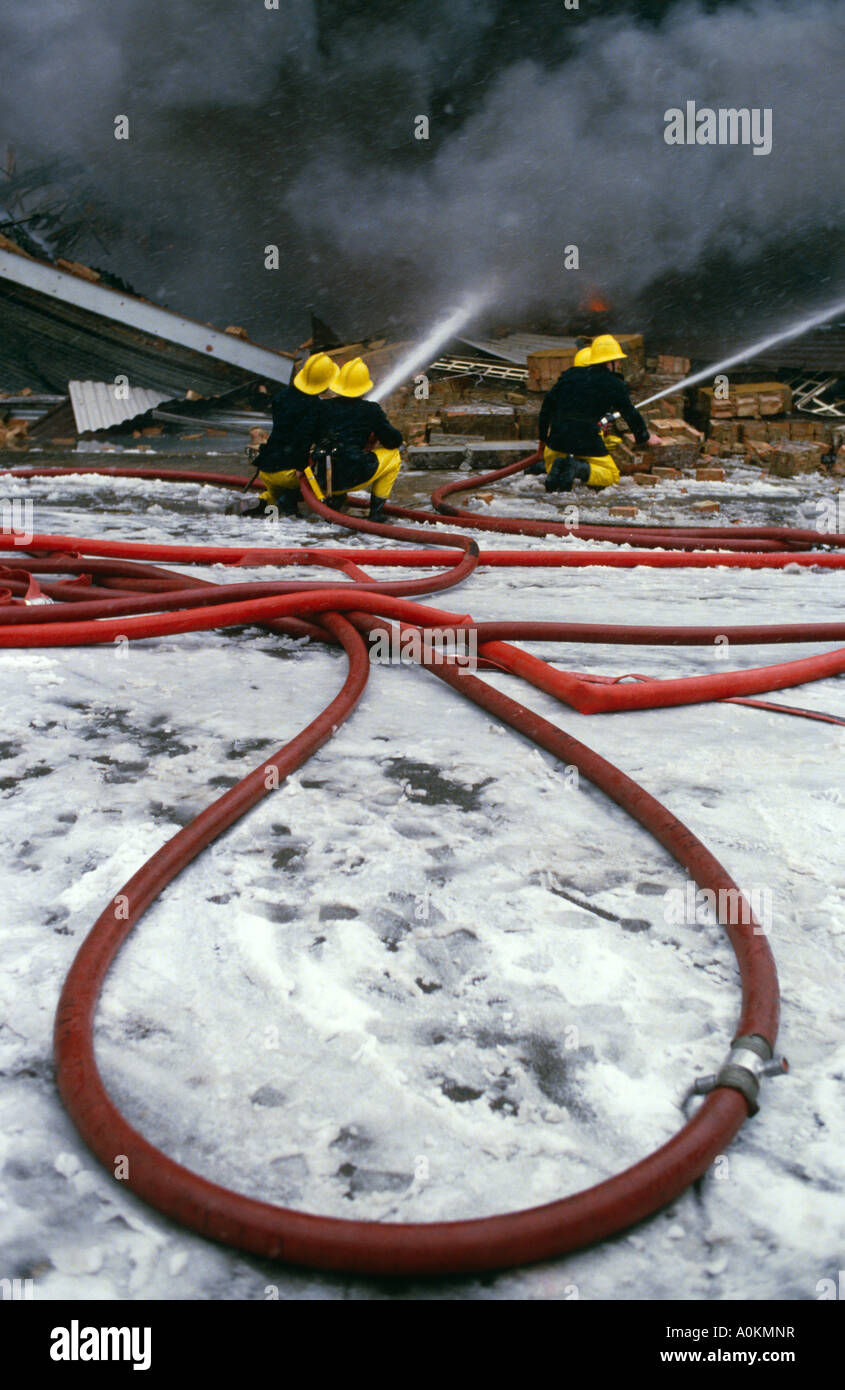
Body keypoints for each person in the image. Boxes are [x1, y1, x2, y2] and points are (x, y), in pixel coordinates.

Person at [538, 335, 660, 492]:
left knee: (555, 464)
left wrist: (542, 439)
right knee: (611, 475)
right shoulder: (613, 383)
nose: (619, 364)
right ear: (611, 362)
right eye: (617, 361)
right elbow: (629, 412)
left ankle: (563, 468)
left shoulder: (569, 376)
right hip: (585, 440)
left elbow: (546, 409)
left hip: (557, 440)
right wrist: (645, 437)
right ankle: (578, 468)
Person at [241, 352, 338, 518]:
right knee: (307, 491)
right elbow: (315, 439)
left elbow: (289, 430)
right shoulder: (318, 408)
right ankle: (286, 504)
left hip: (266, 467)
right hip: (290, 473)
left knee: (275, 491)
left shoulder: (282, 397)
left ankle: (263, 502)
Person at [315, 357, 403, 521]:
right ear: (364, 388)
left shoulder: (322, 407)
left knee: (337, 452)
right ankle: (376, 514)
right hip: (353, 476)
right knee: (394, 456)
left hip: (321, 478)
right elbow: (394, 441)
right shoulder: (371, 410)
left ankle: (336, 499)